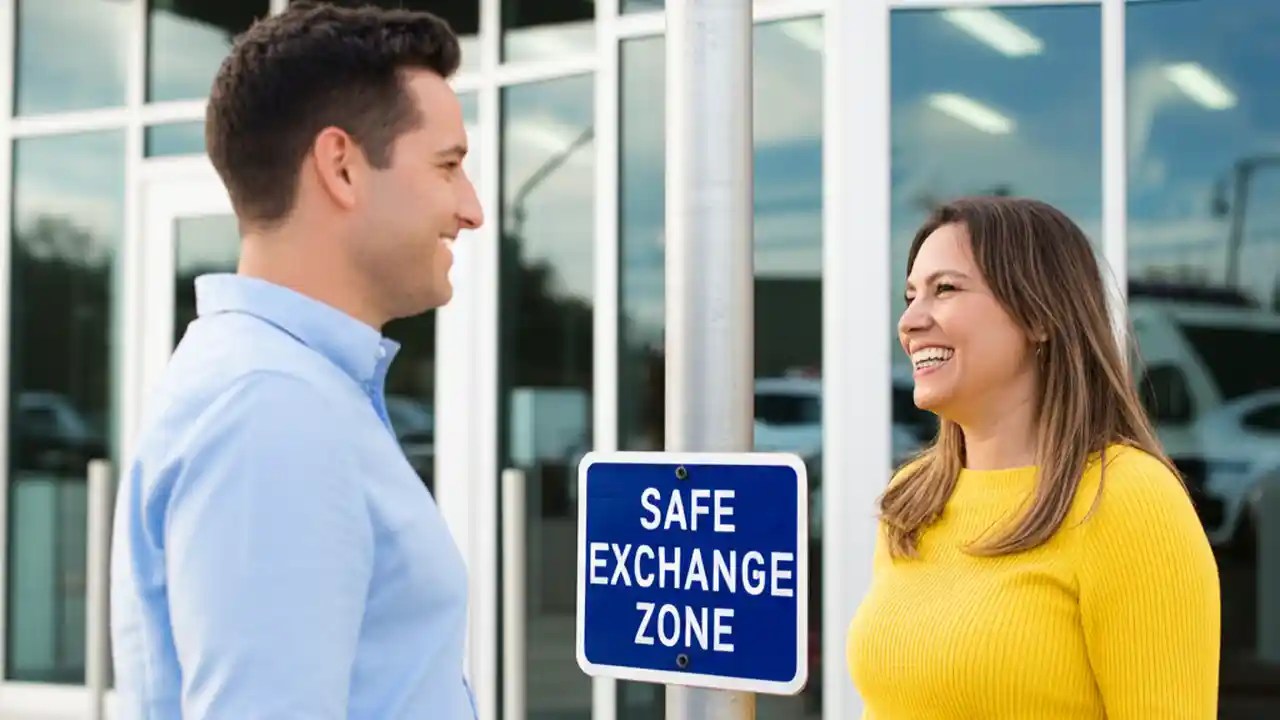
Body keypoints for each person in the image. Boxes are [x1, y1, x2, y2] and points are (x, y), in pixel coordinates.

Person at [109, 2, 483, 718]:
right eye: (448, 166)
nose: (472, 209)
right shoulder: (271, 406)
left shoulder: (287, 388)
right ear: (341, 167)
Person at [847, 197, 1220, 718]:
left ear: (1039, 315)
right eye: (910, 297)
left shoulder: (1126, 499)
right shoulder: (912, 501)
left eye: (945, 289)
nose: (909, 321)